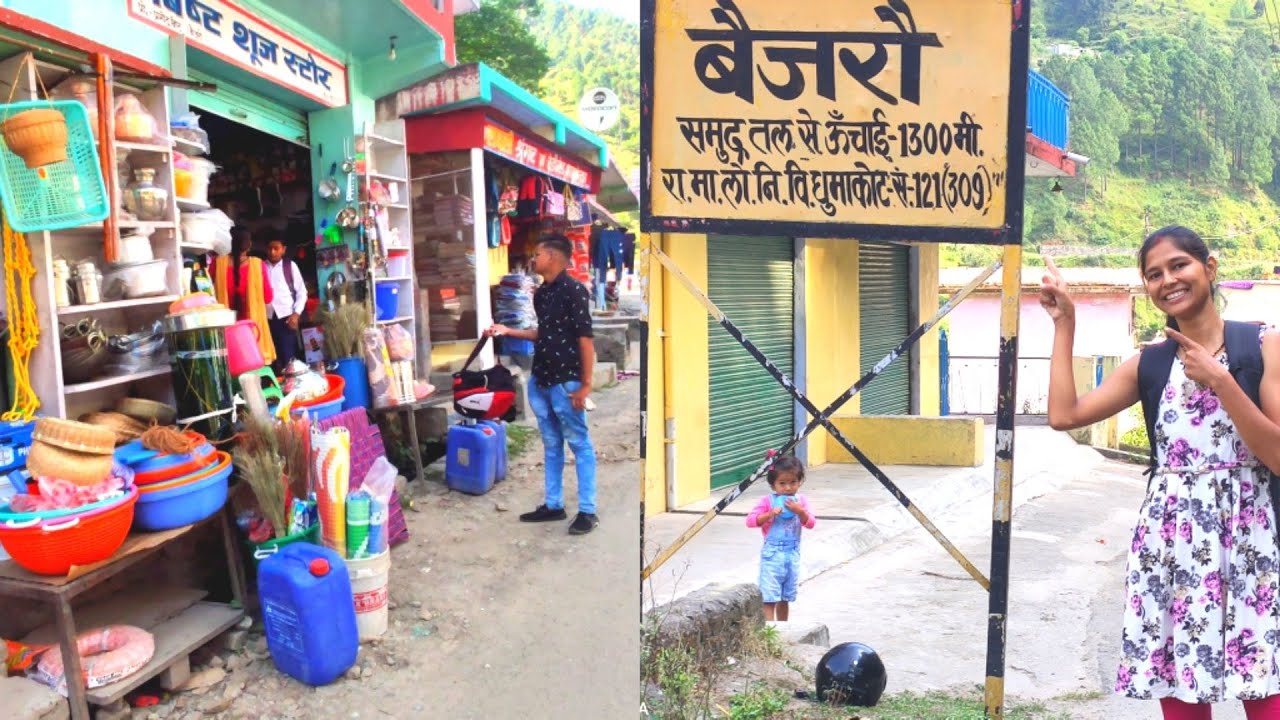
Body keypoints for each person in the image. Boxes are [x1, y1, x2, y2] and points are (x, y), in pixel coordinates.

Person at [1040, 225, 1280, 719]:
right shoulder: (1149, 362)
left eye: (1179, 265)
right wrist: (1066, 326)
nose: (1167, 280)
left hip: (1249, 538)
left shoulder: (1263, 347)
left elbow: (1276, 456)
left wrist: (1222, 381)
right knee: (1179, 672)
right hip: (1171, 542)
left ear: (1209, 269)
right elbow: (1065, 415)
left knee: (1263, 681)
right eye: (1154, 274)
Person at [484, 233, 598, 535]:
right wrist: (507, 330)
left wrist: (585, 385)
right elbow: (543, 333)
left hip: (566, 381)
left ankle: (588, 510)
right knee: (551, 444)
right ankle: (554, 504)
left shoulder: (575, 291)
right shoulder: (542, 293)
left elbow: (585, 340)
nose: (533, 259)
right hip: (542, 378)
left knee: (579, 443)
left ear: (553, 257)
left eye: (537, 254)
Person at [745, 454, 816, 622]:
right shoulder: (768, 501)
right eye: (782, 484)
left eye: (793, 482)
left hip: (791, 555)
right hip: (773, 556)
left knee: (785, 596)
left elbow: (811, 523)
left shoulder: (801, 501)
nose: (788, 488)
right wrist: (769, 515)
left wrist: (800, 511)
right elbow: (750, 521)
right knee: (769, 596)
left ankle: (784, 627)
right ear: (773, 484)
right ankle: (770, 629)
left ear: (799, 482)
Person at [212, 226, 275, 367]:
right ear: (249, 244)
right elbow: (268, 297)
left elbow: (208, 293)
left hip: (226, 333)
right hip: (252, 333)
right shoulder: (258, 265)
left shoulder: (217, 264)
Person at [264, 230, 307, 373]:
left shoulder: (290, 266)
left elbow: (302, 292)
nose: (272, 252)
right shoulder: (260, 267)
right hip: (267, 319)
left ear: (283, 250)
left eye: (276, 248)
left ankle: (291, 387)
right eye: (270, 248)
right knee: (271, 358)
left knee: (289, 358)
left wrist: (296, 314)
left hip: (286, 319)